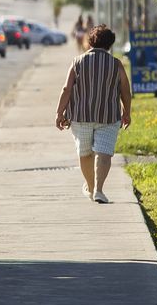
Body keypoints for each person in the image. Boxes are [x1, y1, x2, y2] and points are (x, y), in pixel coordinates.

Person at [54, 25, 131, 203]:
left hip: (81, 117)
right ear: (110, 44)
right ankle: (99, 190)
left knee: (85, 154)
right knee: (103, 153)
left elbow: (66, 89)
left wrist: (59, 113)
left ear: (90, 41)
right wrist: (126, 112)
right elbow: (125, 91)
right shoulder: (116, 64)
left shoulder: (77, 62)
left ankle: (90, 187)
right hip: (108, 117)